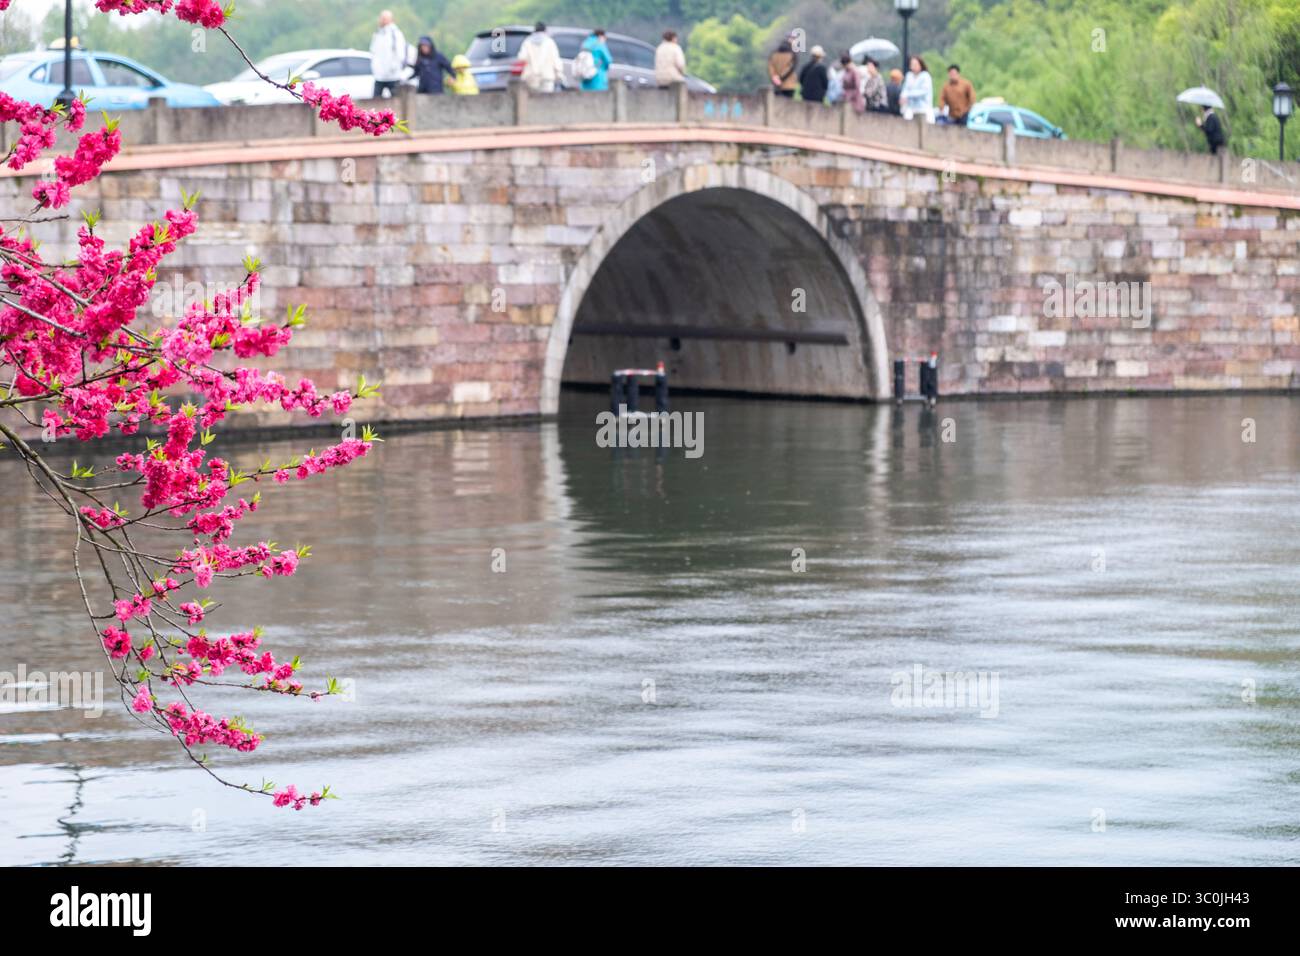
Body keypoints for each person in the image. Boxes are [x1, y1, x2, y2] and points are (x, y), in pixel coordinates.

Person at [369, 10, 409, 99]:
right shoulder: (377, 33)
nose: (382, 20)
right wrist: (375, 68)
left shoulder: (396, 34)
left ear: (391, 20)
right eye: (381, 18)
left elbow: (400, 53)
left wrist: (394, 67)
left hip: (393, 75)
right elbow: (373, 52)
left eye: (384, 18)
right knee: (375, 101)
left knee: (397, 101)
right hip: (379, 75)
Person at [520, 21, 564, 93]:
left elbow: (522, 57)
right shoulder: (550, 42)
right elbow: (556, 60)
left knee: (532, 101)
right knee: (546, 101)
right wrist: (559, 74)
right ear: (545, 30)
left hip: (531, 77)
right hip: (547, 77)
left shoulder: (527, 42)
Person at [899, 55, 932, 119]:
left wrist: (908, 95)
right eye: (912, 64)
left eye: (915, 64)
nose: (913, 66)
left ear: (920, 65)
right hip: (910, 108)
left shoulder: (925, 76)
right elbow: (905, 89)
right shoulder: (909, 76)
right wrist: (903, 97)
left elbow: (923, 91)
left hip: (923, 109)